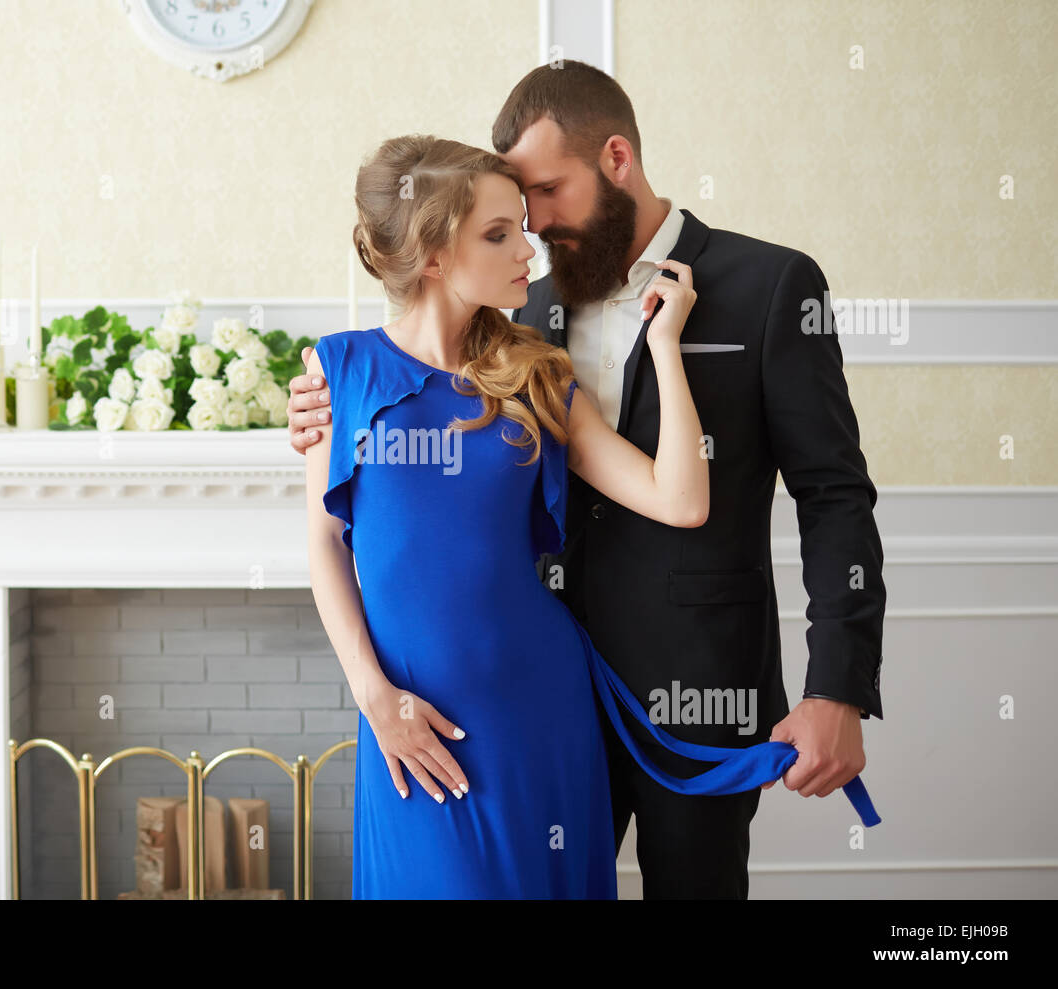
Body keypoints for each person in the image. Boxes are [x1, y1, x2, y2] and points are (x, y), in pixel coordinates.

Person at [293, 63, 885, 899]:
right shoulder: (515, 311)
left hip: (697, 694)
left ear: (615, 158)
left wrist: (838, 688)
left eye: (544, 193)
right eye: (510, 217)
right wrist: (325, 410)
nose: (532, 229)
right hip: (528, 696)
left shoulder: (770, 287)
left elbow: (834, 497)